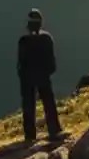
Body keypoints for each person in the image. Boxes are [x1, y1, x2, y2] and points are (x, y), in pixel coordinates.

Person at [17, 8, 63, 143]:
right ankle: (54, 129)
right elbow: (52, 62)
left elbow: (20, 63)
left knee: (28, 106)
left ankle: (30, 136)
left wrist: (23, 77)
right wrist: (46, 73)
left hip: (27, 79)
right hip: (43, 76)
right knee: (49, 103)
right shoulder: (46, 39)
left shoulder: (23, 41)